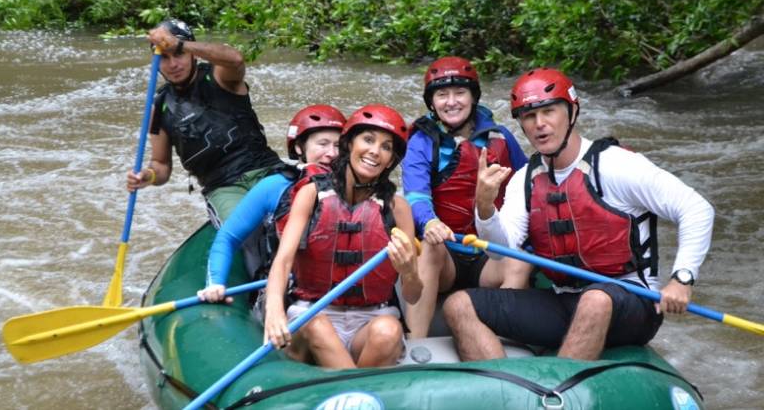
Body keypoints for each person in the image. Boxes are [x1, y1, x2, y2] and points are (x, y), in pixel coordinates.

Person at [443, 68, 714, 361]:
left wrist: (682, 278)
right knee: (458, 304)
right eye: (529, 117)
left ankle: (561, 401)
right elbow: (500, 251)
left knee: (595, 300)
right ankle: (506, 392)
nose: (540, 124)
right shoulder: (525, 179)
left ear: (572, 112)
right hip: (562, 300)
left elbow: (696, 208)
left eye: (549, 112)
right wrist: (485, 206)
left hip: (633, 302)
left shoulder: (616, 165)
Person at [264, 104, 423, 369]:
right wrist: (273, 309)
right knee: (315, 323)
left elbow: (413, 295)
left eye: (386, 147)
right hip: (313, 311)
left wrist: (409, 272)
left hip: (371, 318)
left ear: (391, 159)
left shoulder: (398, 209)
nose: (375, 151)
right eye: (368, 140)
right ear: (349, 144)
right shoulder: (312, 193)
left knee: (389, 331)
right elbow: (283, 261)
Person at [401, 56, 528, 338]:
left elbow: (529, 185)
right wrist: (430, 223)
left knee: (520, 259)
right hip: (448, 255)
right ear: (431, 102)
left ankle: (508, 341)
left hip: (489, 256)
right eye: (442, 94)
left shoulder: (501, 137)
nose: (451, 101)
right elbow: (414, 197)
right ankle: (415, 343)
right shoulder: (422, 142)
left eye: (460, 93)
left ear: (473, 97)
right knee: (429, 247)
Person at [126, 19, 281, 226]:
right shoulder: (159, 107)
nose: (173, 64)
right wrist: (148, 175)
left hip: (265, 170)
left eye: (179, 54)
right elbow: (161, 165)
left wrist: (179, 43)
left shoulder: (219, 76)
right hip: (223, 187)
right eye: (164, 57)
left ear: (192, 53)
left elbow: (236, 59)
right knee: (244, 229)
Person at [198, 104, 346, 303]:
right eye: (323, 144)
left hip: (344, 287)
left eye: (338, 146)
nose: (332, 153)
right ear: (299, 147)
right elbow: (228, 237)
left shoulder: (359, 187)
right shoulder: (276, 185)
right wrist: (215, 283)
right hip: (288, 290)